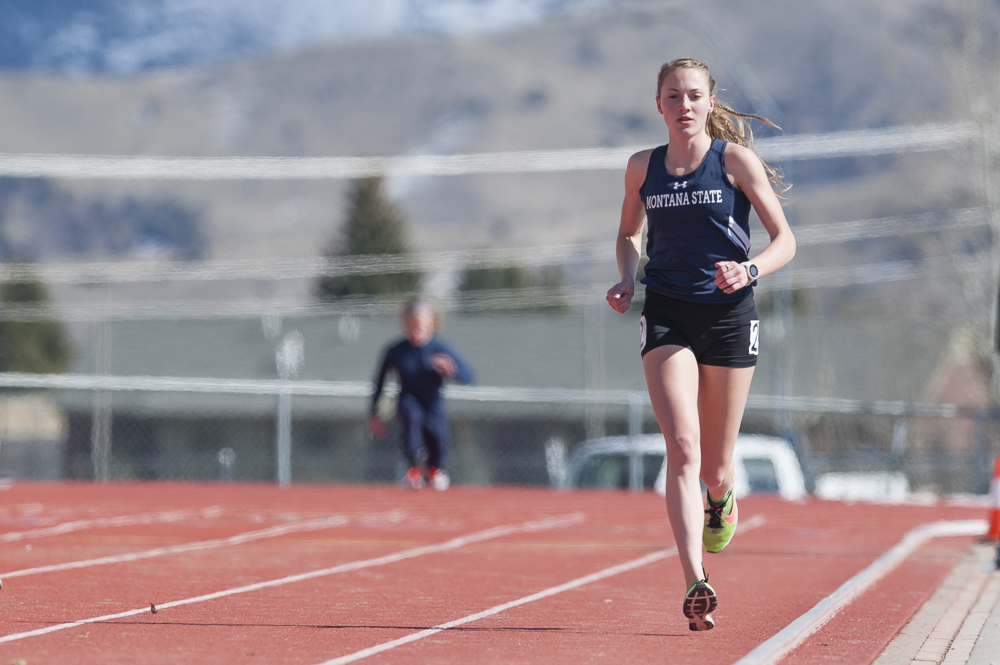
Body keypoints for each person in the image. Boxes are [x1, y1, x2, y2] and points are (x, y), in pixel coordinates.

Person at [606, 58, 796, 631]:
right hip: (666, 311)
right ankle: (696, 581)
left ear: (709, 103)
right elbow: (627, 233)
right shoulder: (642, 168)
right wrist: (625, 275)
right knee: (682, 449)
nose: (683, 106)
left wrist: (751, 271)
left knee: (714, 463)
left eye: (693, 96)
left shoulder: (733, 161)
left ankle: (723, 495)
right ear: (658, 105)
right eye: (672, 96)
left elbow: (786, 240)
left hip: (730, 316)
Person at [369, 299, 474, 491]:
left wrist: (452, 371)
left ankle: (436, 471)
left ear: (431, 324)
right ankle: (415, 469)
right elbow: (379, 383)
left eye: (420, 325)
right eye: (411, 324)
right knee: (411, 416)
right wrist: (374, 414)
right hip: (408, 400)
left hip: (433, 404)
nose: (415, 329)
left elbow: (469, 377)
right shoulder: (395, 351)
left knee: (439, 436)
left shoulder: (441, 349)